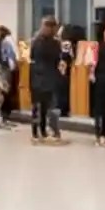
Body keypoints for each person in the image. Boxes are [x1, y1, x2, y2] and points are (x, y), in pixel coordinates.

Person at [29, 17, 66, 145]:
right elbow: (57, 59)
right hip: (50, 78)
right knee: (47, 107)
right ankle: (45, 131)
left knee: (37, 107)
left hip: (36, 77)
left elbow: (32, 57)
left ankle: (35, 132)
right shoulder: (55, 43)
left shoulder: (36, 41)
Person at [0, 25, 19, 128]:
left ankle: (0, 117)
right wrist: (13, 67)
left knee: (0, 92)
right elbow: (11, 57)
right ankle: (4, 117)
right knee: (6, 92)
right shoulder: (6, 43)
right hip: (5, 69)